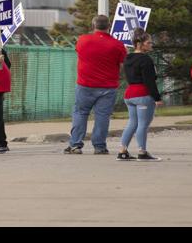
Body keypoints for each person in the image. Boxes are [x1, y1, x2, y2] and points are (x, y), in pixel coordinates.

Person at [64, 13, 126, 155]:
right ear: (109, 26)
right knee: (102, 116)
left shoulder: (83, 40)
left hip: (85, 85)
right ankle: (99, 146)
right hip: (108, 86)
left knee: (80, 113)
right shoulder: (117, 45)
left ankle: (75, 145)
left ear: (93, 25)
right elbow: (122, 65)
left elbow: (79, 53)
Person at [117, 31, 163, 161]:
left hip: (129, 93)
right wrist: (157, 98)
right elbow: (149, 81)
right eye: (148, 43)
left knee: (132, 123)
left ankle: (122, 151)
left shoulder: (128, 58)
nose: (151, 45)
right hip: (142, 94)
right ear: (139, 44)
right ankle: (142, 152)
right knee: (143, 124)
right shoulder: (146, 59)